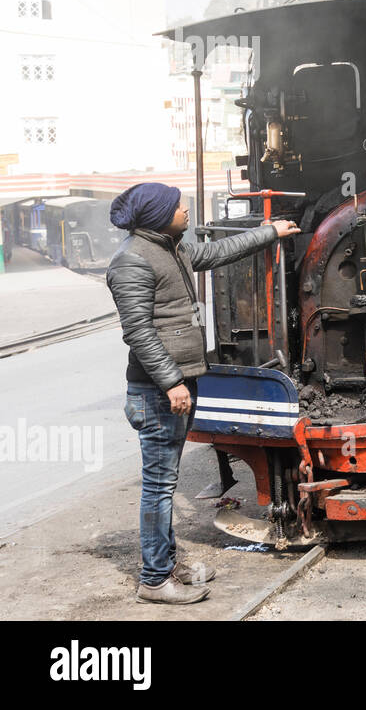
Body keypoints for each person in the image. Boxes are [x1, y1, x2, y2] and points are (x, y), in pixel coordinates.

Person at [106, 182, 299, 604]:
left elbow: (216, 254)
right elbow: (138, 331)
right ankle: (154, 579)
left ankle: (168, 564)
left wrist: (270, 232)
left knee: (165, 480)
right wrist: (172, 382)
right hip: (157, 390)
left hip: (176, 384)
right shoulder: (132, 261)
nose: (186, 209)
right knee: (159, 487)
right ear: (159, 214)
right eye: (178, 206)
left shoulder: (170, 248)